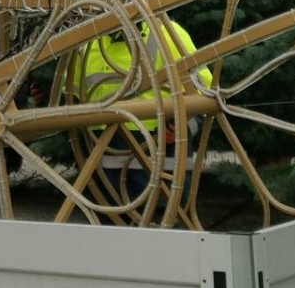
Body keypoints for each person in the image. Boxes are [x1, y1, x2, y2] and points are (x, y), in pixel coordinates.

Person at [73, 16, 214, 215]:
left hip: (161, 175)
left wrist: (179, 128)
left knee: (159, 230)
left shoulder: (167, 33)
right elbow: (70, 104)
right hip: (104, 182)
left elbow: (203, 96)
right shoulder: (87, 44)